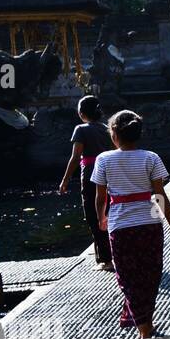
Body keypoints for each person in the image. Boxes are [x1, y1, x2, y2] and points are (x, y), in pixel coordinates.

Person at [91, 110, 170, 339]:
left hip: (120, 225)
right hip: (150, 222)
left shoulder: (104, 159)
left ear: (114, 134)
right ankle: (147, 324)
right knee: (150, 274)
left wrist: (101, 218)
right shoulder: (151, 157)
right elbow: (160, 196)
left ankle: (144, 327)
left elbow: (100, 197)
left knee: (127, 277)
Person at [58, 95, 114, 271]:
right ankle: (112, 254)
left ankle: (105, 260)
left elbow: (75, 157)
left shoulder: (80, 129)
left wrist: (65, 180)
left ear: (81, 113)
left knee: (93, 215)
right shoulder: (106, 129)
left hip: (90, 175)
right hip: (109, 173)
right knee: (108, 212)